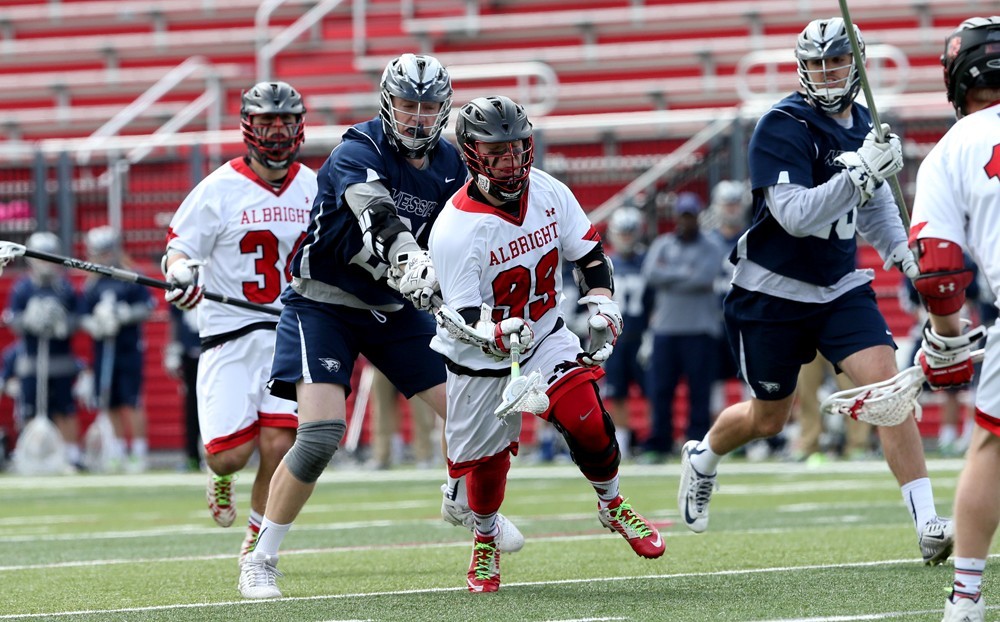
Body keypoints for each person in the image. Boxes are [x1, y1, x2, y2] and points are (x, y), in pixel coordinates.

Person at [239, 55, 523, 599]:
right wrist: (411, 262)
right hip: (324, 304)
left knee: (477, 408)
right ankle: (261, 558)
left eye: (429, 107)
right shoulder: (358, 149)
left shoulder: (449, 164)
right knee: (321, 436)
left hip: (394, 310)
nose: (418, 118)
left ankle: (462, 498)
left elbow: (467, 234)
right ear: (390, 103)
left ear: (445, 110)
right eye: (410, 105)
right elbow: (376, 215)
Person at [676, 17, 955, 567]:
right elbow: (794, 215)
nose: (828, 73)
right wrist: (856, 175)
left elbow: (874, 208)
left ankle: (927, 524)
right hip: (773, 294)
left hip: (838, 286)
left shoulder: (866, 125)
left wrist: (903, 254)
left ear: (857, 64)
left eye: (838, 61)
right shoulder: (782, 125)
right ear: (803, 68)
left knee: (890, 392)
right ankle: (704, 455)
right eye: (819, 63)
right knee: (769, 417)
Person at [426, 95, 664, 593]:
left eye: (517, 148)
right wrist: (494, 331)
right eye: (497, 152)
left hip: (543, 336)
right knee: (485, 475)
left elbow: (591, 258)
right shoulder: (455, 228)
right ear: (471, 154)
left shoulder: (550, 192)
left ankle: (612, 503)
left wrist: (601, 303)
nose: (511, 161)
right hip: (478, 358)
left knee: (587, 418)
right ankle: (485, 539)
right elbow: (465, 314)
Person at [162, 80, 314, 563]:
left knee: (282, 442)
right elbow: (180, 249)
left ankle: (257, 535)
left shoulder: (314, 186)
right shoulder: (218, 189)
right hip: (229, 333)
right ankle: (221, 476)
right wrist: (181, 273)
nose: (277, 131)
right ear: (249, 127)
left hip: (290, 332)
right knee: (229, 453)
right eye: (268, 121)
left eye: (286, 121)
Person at [907, 16, 1000, 621]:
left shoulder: (953, 148)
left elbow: (939, 271)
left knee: (992, 444)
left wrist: (947, 340)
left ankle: (965, 599)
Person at [639, 192, 727, 462]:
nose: (686, 220)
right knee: (661, 390)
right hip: (666, 329)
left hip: (700, 329)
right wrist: (684, 274)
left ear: (698, 216)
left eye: (691, 215)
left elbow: (703, 278)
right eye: (683, 215)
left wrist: (671, 276)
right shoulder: (664, 244)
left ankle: (698, 441)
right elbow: (650, 274)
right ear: (677, 216)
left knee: (699, 391)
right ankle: (660, 442)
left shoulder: (711, 246)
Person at [2, 232, 81, 469]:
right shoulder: (22, 288)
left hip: (61, 359)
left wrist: (62, 323)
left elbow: (78, 318)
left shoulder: (64, 287)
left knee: (65, 410)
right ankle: (32, 456)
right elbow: (12, 319)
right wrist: (29, 320)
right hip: (32, 359)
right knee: (29, 411)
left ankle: (71, 456)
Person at [79, 226, 154, 473]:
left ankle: (139, 452)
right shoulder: (92, 283)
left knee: (132, 401)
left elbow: (148, 306)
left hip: (128, 349)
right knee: (109, 402)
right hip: (103, 350)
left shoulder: (130, 276)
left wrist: (125, 315)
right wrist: (95, 324)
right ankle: (118, 450)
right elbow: (82, 314)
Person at [601, 205, 650, 460]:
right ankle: (622, 441)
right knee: (616, 392)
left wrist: (651, 334)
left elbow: (656, 301)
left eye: (631, 232)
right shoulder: (606, 263)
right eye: (623, 232)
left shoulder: (648, 261)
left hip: (642, 337)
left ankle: (652, 439)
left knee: (651, 390)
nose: (627, 238)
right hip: (615, 340)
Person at [367, 366, 437, 469]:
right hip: (381, 359)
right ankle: (381, 456)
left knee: (421, 411)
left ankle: (424, 456)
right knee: (381, 411)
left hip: (413, 360)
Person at [164, 305, 202, 471]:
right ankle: (192, 456)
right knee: (191, 406)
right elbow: (175, 318)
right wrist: (172, 348)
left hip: (214, 350)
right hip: (189, 354)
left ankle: (222, 452)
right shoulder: (182, 281)